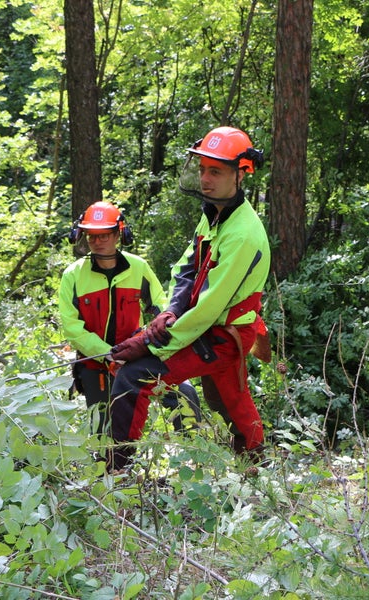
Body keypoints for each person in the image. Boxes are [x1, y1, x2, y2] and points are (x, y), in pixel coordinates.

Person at [108, 126, 270, 470]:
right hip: (205, 326)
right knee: (232, 402)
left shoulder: (243, 234)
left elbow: (210, 307)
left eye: (216, 171)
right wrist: (170, 311)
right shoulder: (214, 212)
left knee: (133, 377)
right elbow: (187, 266)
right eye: (202, 170)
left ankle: (116, 470)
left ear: (240, 174)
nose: (206, 179)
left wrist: (153, 343)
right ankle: (257, 469)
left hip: (222, 334)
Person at [58, 201, 202, 437]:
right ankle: (113, 471)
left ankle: (194, 451)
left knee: (185, 394)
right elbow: (73, 329)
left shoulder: (139, 268)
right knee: (105, 433)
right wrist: (107, 354)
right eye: (91, 236)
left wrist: (159, 338)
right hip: (96, 363)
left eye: (104, 235)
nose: (97, 242)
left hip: (136, 356)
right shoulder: (73, 276)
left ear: (119, 234)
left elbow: (162, 308)